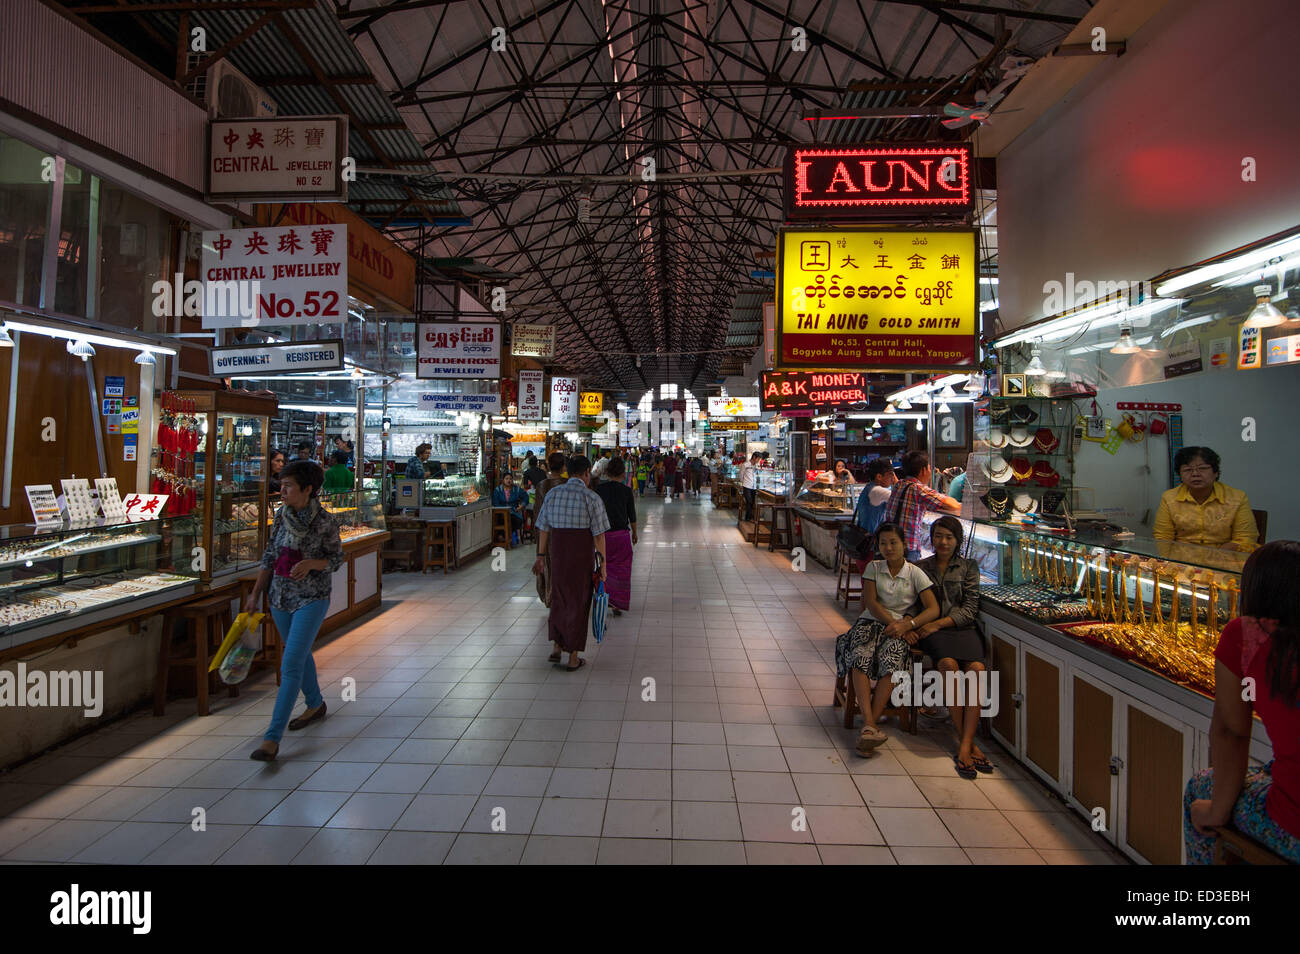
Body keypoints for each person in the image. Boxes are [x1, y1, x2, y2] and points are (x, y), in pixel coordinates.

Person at [1184, 540, 1300, 864]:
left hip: (1293, 825)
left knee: (1199, 790)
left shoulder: (1246, 635)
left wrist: (1215, 812)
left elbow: (1232, 732)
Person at [243, 460, 343, 761]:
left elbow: (336, 559)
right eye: (281, 485)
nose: (282, 491)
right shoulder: (280, 517)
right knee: (298, 655)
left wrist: (312, 564)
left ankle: (272, 739)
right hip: (280, 598)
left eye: (288, 486)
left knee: (290, 665)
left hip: (312, 598)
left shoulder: (325, 522)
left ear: (308, 489)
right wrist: (255, 594)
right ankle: (315, 703)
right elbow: (270, 556)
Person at [835, 523, 940, 756]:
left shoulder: (915, 573)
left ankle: (868, 726)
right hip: (871, 623)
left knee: (892, 660)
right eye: (883, 543)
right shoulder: (874, 567)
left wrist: (910, 624)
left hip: (900, 629)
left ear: (904, 544)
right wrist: (897, 625)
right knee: (860, 655)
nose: (889, 547)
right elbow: (871, 603)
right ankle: (870, 724)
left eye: (893, 542)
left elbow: (933, 609)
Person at [914, 516, 990, 778]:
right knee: (948, 666)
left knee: (977, 670)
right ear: (931, 538)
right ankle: (968, 745)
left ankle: (965, 745)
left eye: (949, 537)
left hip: (961, 629)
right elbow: (917, 606)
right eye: (938, 536)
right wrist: (927, 625)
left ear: (958, 540)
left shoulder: (969, 567)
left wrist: (939, 623)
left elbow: (970, 610)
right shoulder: (921, 567)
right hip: (933, 632)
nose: (943, 542)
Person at [532, 455, 609, 672]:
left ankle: (557, 646)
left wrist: (540, 556)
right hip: (580, 556)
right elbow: (599, 536)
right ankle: (573, 657)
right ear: (586, 473)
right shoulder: (591, 498)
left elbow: (544, 528)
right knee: (579, 601)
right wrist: (603, 564)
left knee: (559, 597)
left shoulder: (553, 494)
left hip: (557, 553)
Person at [1154, 446, 1257, 552]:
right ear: (1180, 475)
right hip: (1182, 561)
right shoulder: (1169, 498)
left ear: (1215, 472)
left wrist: (1217, 555)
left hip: (1225, 560)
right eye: (1187, 470)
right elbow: (1162, 539)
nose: (1195, 474)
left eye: (1202, 468)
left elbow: (1246, 539)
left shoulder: (1237, 498)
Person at [886, 450, 962, 560]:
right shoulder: (918, 489)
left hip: (890, 545)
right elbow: (953, 505)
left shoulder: (899, 485)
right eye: (930, 468)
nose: (931, 473)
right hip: (907, 549)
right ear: (923, 470)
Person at [594, 457, 638, 617]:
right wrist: (635, 533)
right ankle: (618, 603)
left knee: (604, 567)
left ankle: (604, 597)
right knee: (622, 568)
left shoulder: (599, 490)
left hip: (602, 536)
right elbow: (631, 515)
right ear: (623, 473)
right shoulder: (626, 491)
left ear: (606, 472)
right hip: (621, 536)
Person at [492, 472, 528, 544]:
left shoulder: (517, 489)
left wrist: (521, 506)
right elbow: (495, 503)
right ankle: (506, 537)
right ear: (503, 480)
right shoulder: (498, 490)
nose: (509, 480)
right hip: (501, 513)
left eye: (510, 479)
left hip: (514, 512)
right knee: (503, 519)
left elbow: (526, 497)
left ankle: (504, 536)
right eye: (507, 479)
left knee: (515, 520)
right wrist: (506, 509)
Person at [739, 451, 760, 521]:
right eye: (758, 459)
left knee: (752, 502)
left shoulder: (756, 466)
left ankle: (748, 517)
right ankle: (749, 517)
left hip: (753, 486)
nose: (758, 460)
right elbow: (741, 475)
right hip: (746, 486)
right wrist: (743, 483)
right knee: (749, 501)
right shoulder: (745, 465)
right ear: (754, 457)